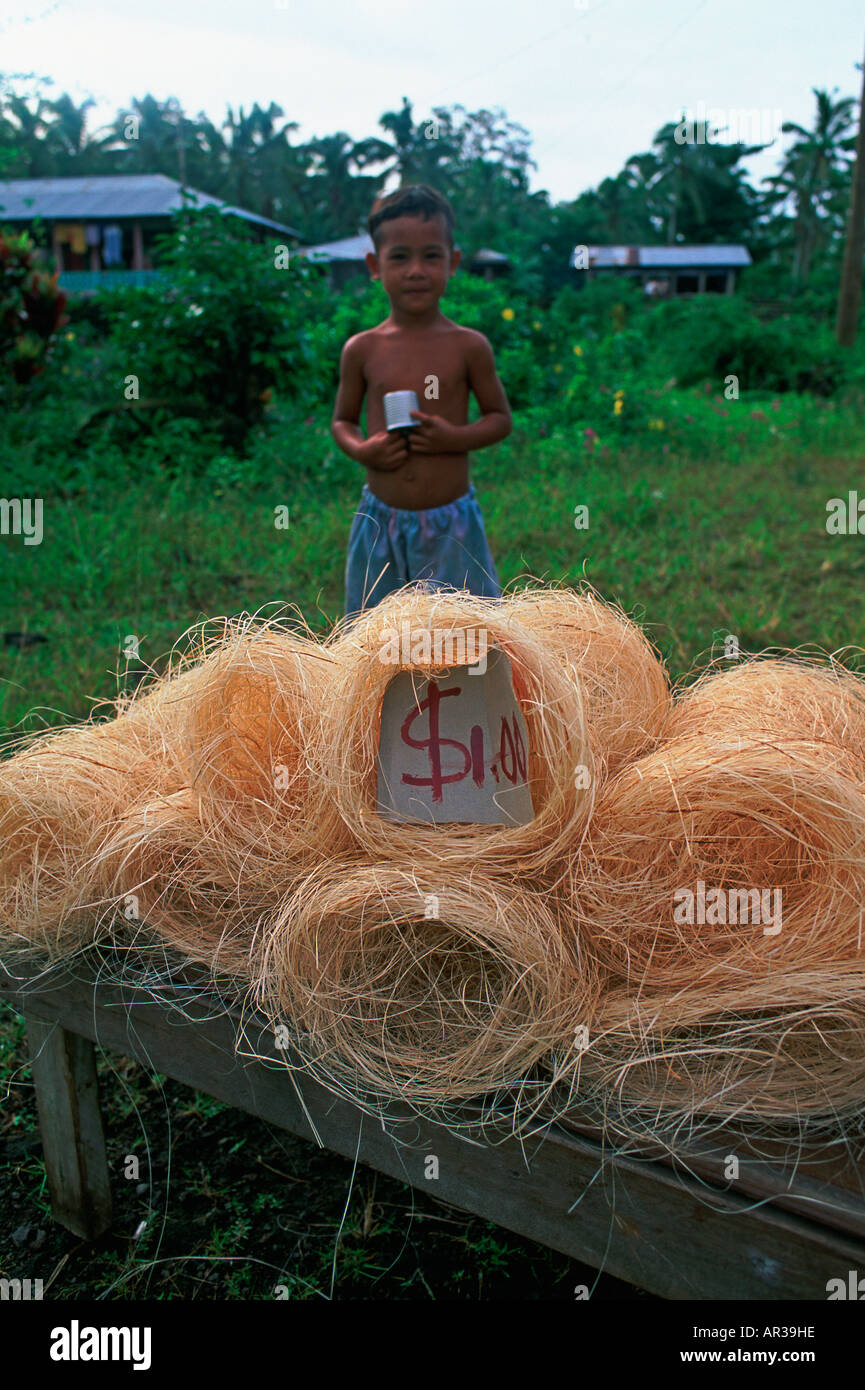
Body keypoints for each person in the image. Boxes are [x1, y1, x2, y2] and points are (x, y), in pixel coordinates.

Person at [332, 185, 512, 620]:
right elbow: (342, 421)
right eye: (399, 257)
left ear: (452, 262)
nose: (416, 270)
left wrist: (454, 437)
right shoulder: (363, 349)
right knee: (378, 640)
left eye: (431, 256)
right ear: (375, 266)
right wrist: (363, 450)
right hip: (381, 524)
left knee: (465, 634)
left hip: (452, 525)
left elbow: (499, 419)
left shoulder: (468, 346)